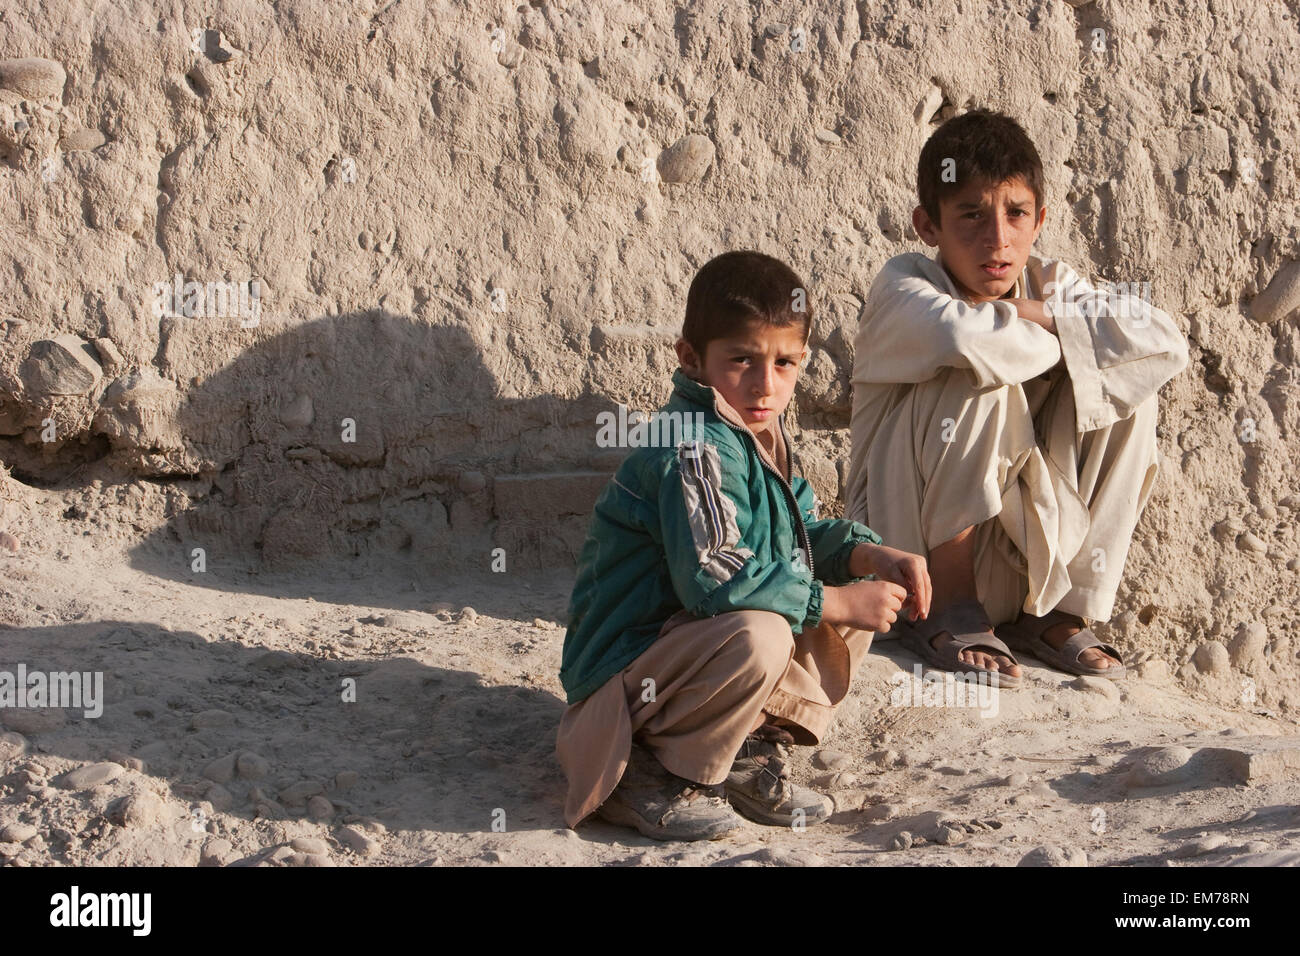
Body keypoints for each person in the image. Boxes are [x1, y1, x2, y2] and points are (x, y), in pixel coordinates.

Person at [556, 250, 931, 841]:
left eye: (784, 363)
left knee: (858, 596)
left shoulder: (756, 431)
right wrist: (833, 601)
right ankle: (642, 776)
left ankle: (743, 746)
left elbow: (799, 536)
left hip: (683, 653)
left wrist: (867, 555)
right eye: (742, 360)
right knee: (766, 631)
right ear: (691, 357)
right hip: (621, 685)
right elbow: (716, 580)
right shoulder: (692, 446)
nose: (765, 384)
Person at [845, 109, 1189, 686]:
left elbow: (1163, 344)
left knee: (1133, 393)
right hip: (914, 557)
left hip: (1023, 558)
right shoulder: (903, 286)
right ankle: (948, 607)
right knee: (974, 369)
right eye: (971, 216)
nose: (998, 239)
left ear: (1040, 219)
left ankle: (1055, 613)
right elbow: (966, 337)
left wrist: (1050, 314)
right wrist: (1076, 336)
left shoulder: (1050, 282)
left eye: (1016, 214)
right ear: (927, 225)